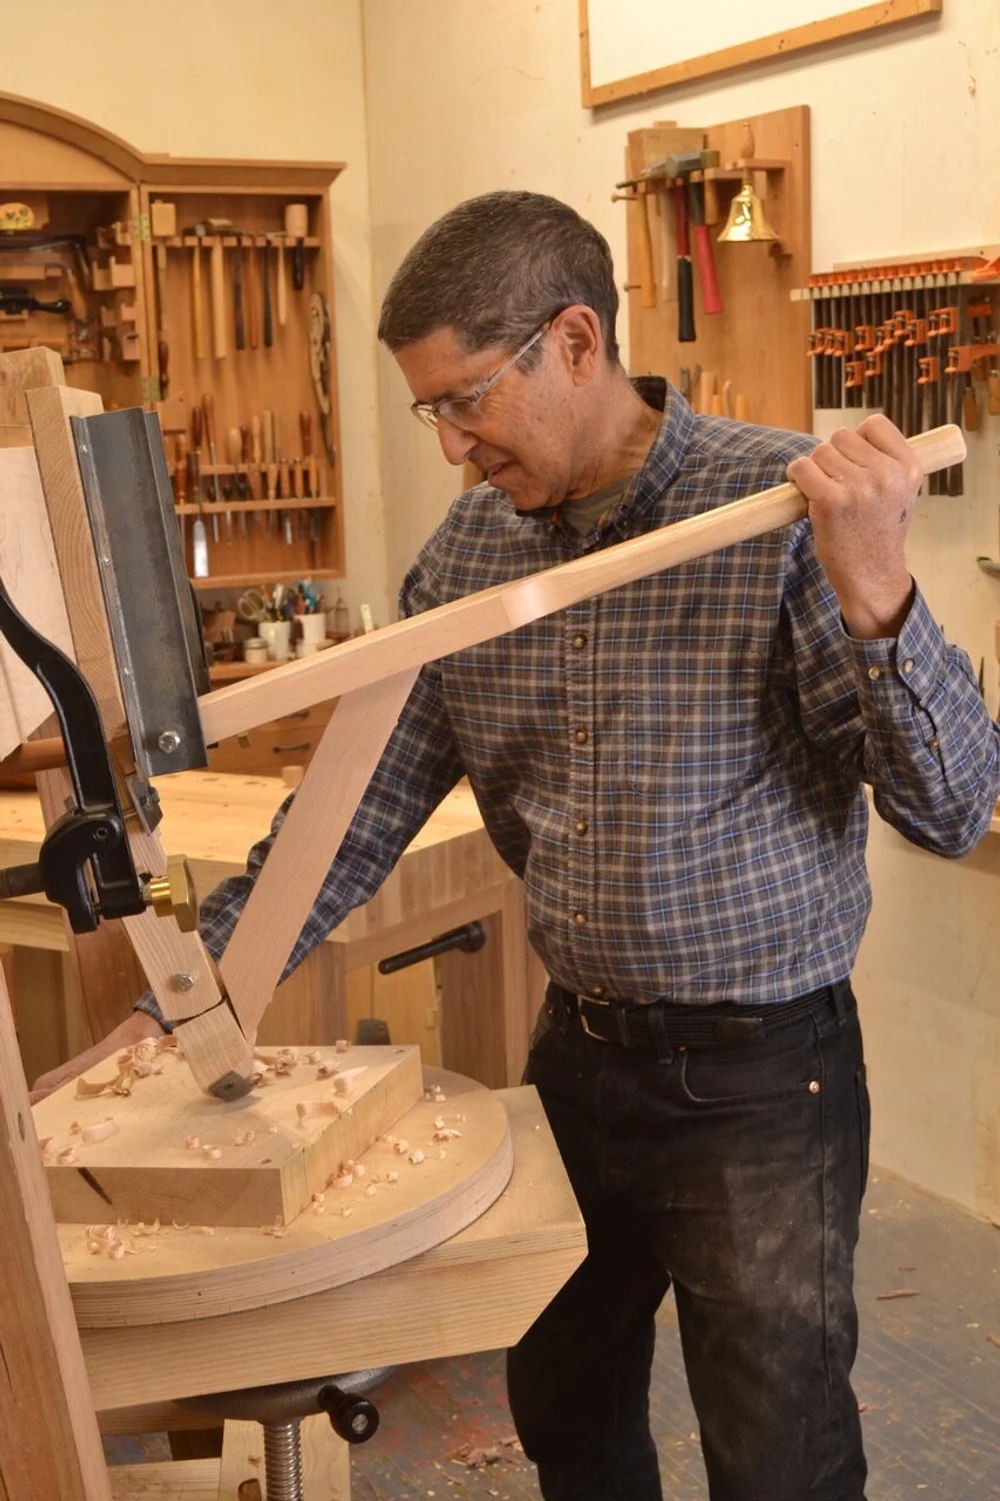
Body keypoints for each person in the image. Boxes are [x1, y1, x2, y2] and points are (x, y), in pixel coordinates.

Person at [32, 192, 1000, 1501]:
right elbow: (357, 809)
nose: (449, 446)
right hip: (576, 1062)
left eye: (466, 400)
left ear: (577, 342)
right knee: (563, 1406)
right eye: (430, 408)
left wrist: (878, 581)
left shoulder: (774, 517)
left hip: (765, 1080)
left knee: (782, 1449)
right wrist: (183, 1000)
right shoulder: (467, 562)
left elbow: (951, 809)